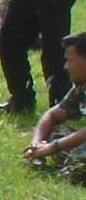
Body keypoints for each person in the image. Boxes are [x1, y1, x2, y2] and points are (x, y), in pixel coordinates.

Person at [23, 34, 86, 181]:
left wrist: (52, 148)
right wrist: (37, 142)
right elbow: (52, 115)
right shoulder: (81, 87)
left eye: (70, 61)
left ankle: (75, 169)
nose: (66, 66)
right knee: (55, 131)